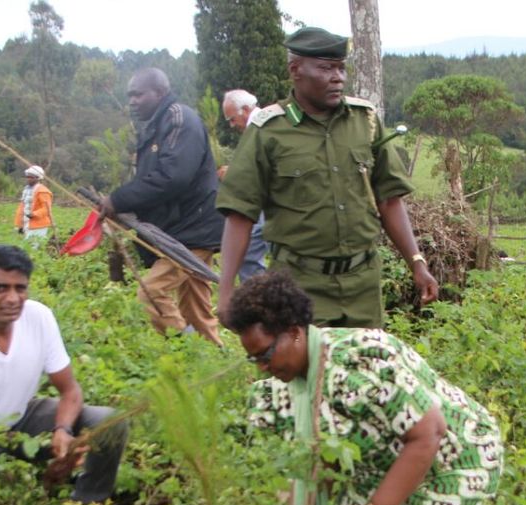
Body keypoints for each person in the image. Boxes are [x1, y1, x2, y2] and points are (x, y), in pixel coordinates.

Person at [228, 272, 502, 505]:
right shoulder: (293, 389)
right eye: (252, 358)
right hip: (386, 460)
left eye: (264, 355)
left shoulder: (358, 362)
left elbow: (430, 433)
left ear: (294, 333)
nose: (261, 367)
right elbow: (312, 476)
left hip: (454, 456)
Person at [216, 26, 439, 329]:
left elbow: (389, 200)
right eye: (326, 68)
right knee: (307, 373)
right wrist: (226, 290)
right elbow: (240, 213)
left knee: (364, 371)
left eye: (341, 68)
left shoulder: (366, 121)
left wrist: (416, 262)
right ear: (295, 70)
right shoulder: (268, 130)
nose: (338, 77)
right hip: (298, 286)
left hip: (363, 284)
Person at [0, 244, 125, 503]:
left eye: (20, 288)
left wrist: (63, 429)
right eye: (0, 288)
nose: (13, 298)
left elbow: (70, 390)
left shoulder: (38, 317)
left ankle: (88, 504)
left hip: (21, 417)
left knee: (109, 422)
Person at [99, 67, 224, 346]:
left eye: (138, 94)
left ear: (160, 92)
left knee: (151, 293)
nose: (132, 101)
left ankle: (188, 353)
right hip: (184, 229)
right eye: (129, 95)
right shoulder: (156, 125)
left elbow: (173, 176)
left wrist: (118, 199)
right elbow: (153, 180)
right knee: (196, 310)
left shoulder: (179, 119)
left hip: (192, 230)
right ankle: (216, 368)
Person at [221, 88, 268, 283]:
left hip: (267, 202)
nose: (232, 125)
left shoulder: (262, 126)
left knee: (247, 251)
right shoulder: (260, 125)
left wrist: (233, 174)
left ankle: (259, 297)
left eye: (232, 119)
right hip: (267, 200)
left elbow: (264, 167)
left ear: (247, 109)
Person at [15, 165, 53, 245]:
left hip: (38, 225)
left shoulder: (43, 191)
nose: (28, 179)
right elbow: (22, 207)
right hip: (27, 223)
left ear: (37, 178)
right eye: (27, 177)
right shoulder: (26, 190)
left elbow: (46, 209)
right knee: (27, 247)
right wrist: (20, 225)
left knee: (32, 248)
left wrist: (34, 214)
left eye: (31, 177)